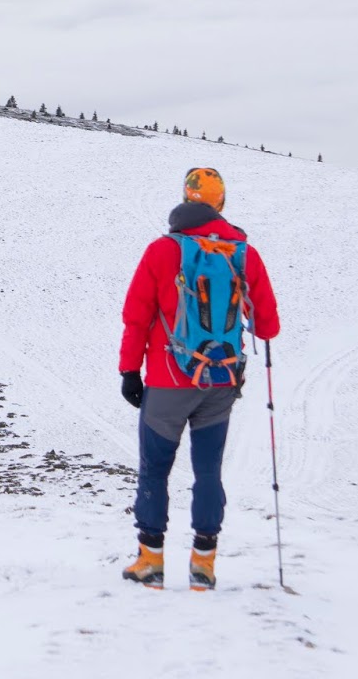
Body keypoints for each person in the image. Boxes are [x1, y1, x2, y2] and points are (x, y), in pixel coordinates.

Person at [118, 166, 280, 590]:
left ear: (186, 199)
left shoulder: (162, 250)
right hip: (220, 380)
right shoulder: (244, 253)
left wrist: (129, 369)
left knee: (155, 469)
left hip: (168, 380)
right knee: (208, 472)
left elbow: (136, 317)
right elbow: (268, 327)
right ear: (221, 203)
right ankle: (203, 567)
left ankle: (150, 561)